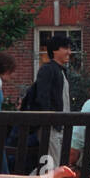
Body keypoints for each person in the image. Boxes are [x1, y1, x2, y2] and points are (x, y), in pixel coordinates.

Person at [30, 32, 73, 167]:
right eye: (65, 48)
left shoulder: (61, 71)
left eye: (69, 48)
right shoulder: (47, 69)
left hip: (60, 126)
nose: (69, 52)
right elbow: (42, 97)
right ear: (54, 50)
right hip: (51, 126)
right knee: (53, 164)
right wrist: (50, 122)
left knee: (56, 163)